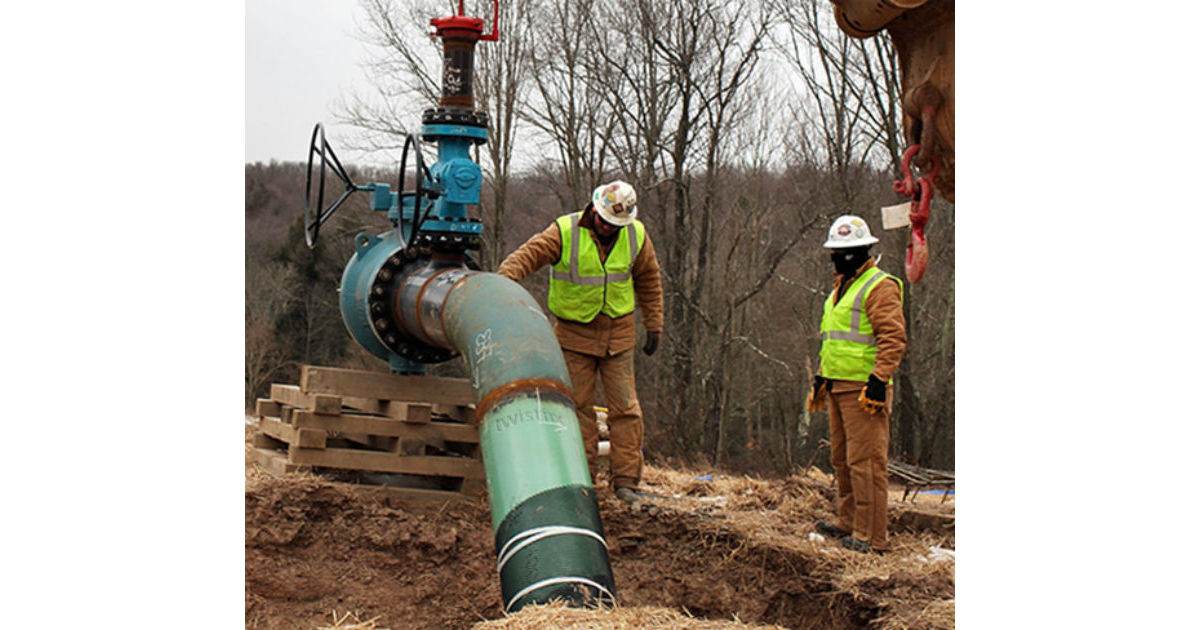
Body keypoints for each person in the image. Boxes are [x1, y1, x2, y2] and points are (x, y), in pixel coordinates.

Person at [497, 180, 664, 503]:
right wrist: (500, 286)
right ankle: (582, 481)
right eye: (603, 220)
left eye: (614, 224)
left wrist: (654, 323)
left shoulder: (636, 235)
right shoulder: (565, 231)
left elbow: (649, 280)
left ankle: (626, 483)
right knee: (577, 411)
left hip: (619, 335)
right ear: (594, 208)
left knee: (626, 410)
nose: (606, 227)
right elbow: (527, 257)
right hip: (574, 336)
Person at [807, 215, 907, 554]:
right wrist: (823, 375)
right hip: (837, 386)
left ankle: (872, 536)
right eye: (835, 251)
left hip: (865, 391)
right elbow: (834, 339)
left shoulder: (880, 286)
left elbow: (892, 338)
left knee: (867, 463)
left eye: (843, 251)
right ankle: (849, 522)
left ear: (863, 250)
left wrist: (879, 381)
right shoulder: (840, 288)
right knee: (842, 459)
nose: (837, 257)